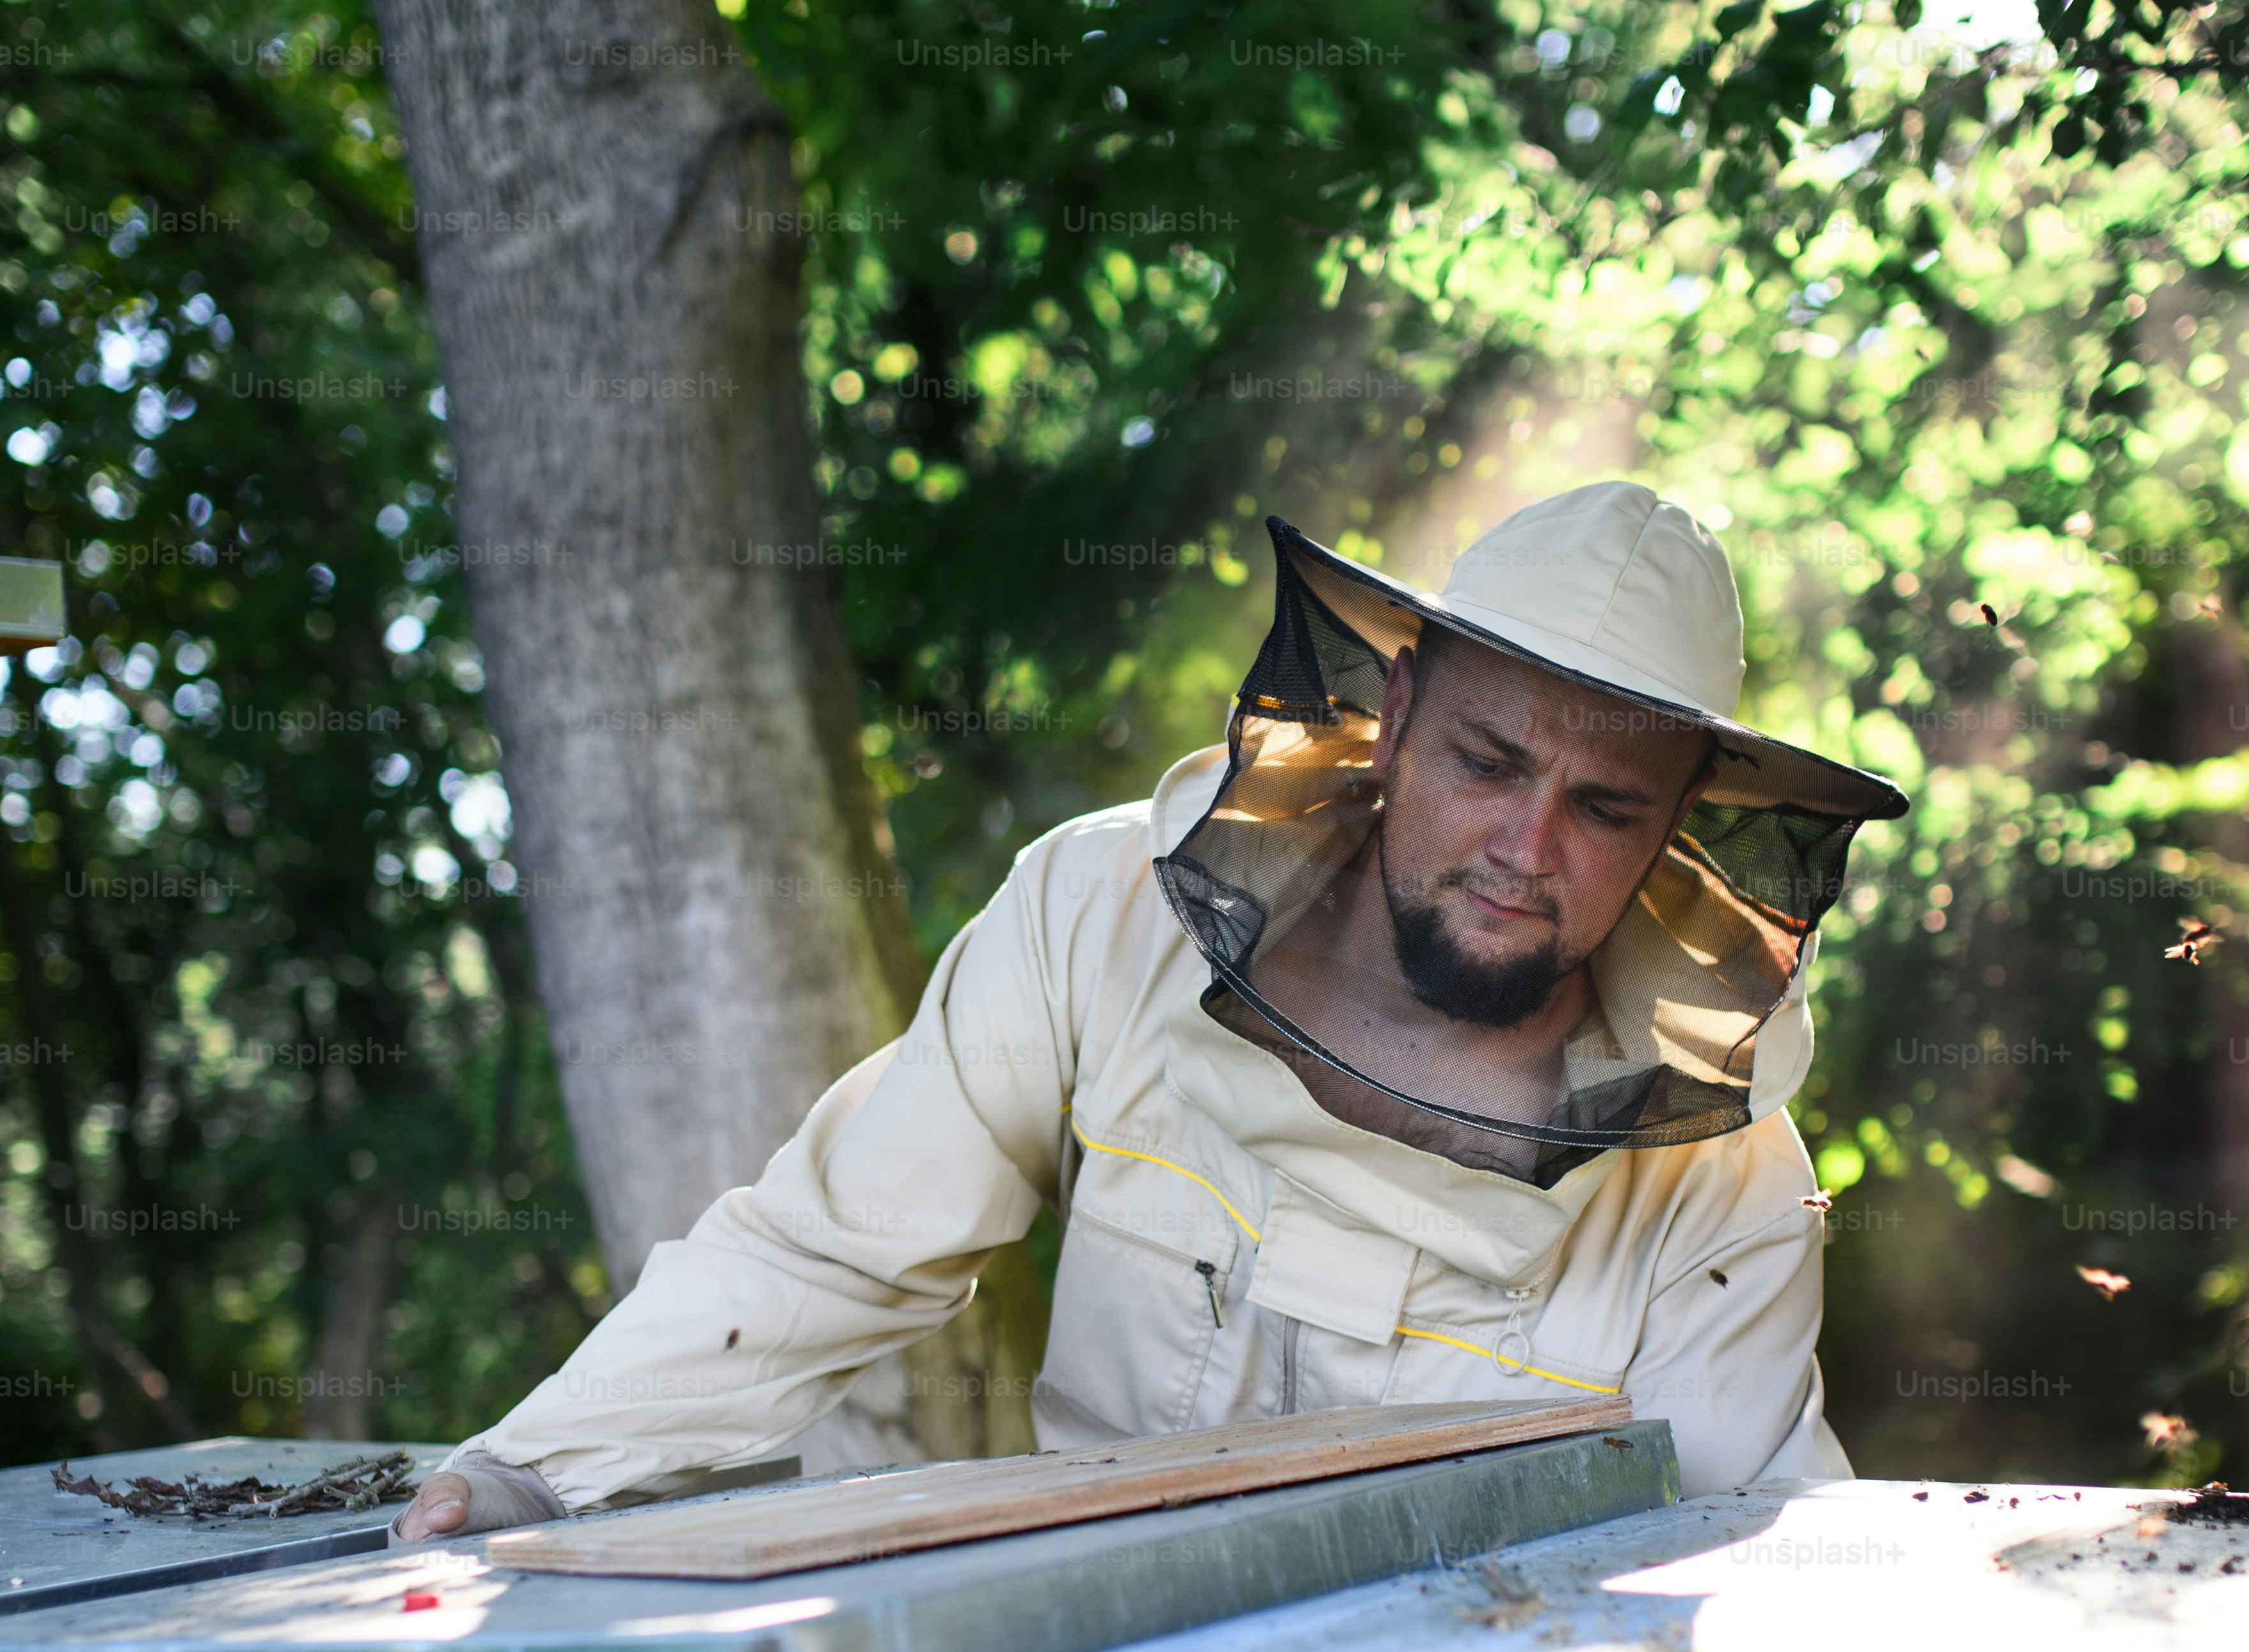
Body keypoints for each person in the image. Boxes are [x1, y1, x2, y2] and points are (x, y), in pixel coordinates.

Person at [392, 479, 1910, 1543]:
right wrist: (536, 1469)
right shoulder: (1099, 915)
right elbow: (828, 1245)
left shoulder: (1722, 1189)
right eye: (1488, 763)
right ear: (1390, 717)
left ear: (1677, 831)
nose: (1526, 847)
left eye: (1602, 804)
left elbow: (1744, 1558)